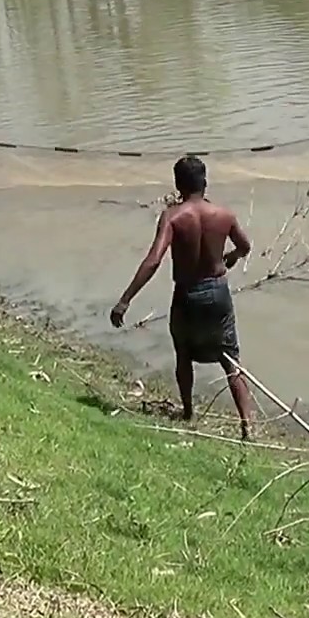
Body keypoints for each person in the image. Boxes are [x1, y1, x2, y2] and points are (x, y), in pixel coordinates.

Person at [109, 156, 255, 439]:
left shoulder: (173, 216)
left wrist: (126, 299)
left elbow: (153, 261)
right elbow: (245, 245)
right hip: (217, 291)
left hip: (188, 293)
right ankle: (247, 423)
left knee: (184, 354)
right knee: (231, 360)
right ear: (205, 182)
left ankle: (188, 412)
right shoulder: (223, 214)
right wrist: (233, 257)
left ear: (178, 185)